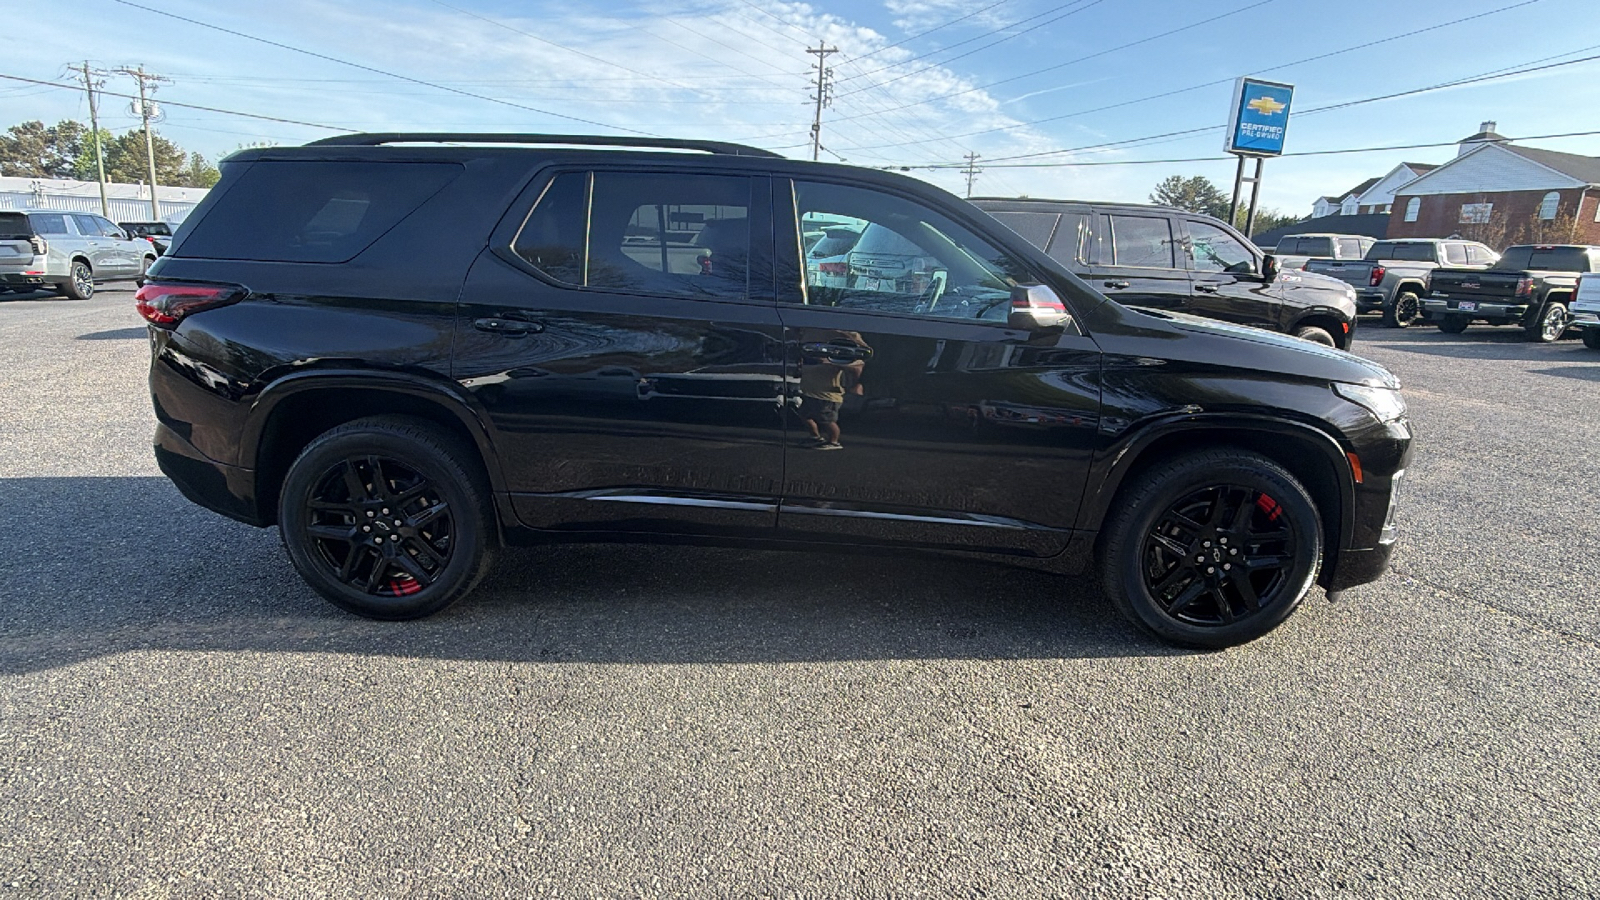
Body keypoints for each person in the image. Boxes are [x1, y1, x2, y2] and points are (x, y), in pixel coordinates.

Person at [797, 330, 868, 450]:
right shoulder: (810, 332)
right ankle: (815, 436)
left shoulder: (844, 340)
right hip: (810, 391)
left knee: (827, 420)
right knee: (804, 414)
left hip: (827, 394)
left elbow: (858, 364)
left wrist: (829, 362)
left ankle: (833, 441)